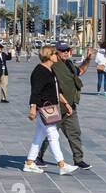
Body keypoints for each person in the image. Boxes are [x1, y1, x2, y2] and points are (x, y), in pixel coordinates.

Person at [24, 45, 79, 175]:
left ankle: (29, 163)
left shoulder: (50, 70)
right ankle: (61, 164)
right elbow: (35, 92)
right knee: (53, 135)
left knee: (39, 136)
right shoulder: (40, 71)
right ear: (49, 56)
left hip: (51, 108)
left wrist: (66, 103)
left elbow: (56, 90)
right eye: (55, 54)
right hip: (44, 108)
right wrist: (32, 108)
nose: (57, 56)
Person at [37, 42, 92, 170]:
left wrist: (88, 58)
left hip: (70, 106)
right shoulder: (52, 65)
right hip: (55, 106)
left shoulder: (69, 64)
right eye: (62, 50)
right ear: (55, 53)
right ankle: (37, 157)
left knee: (75, 132)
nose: (66, 52)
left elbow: (81, 71)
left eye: (68, 50)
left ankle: (78, 159)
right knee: (48, 134)